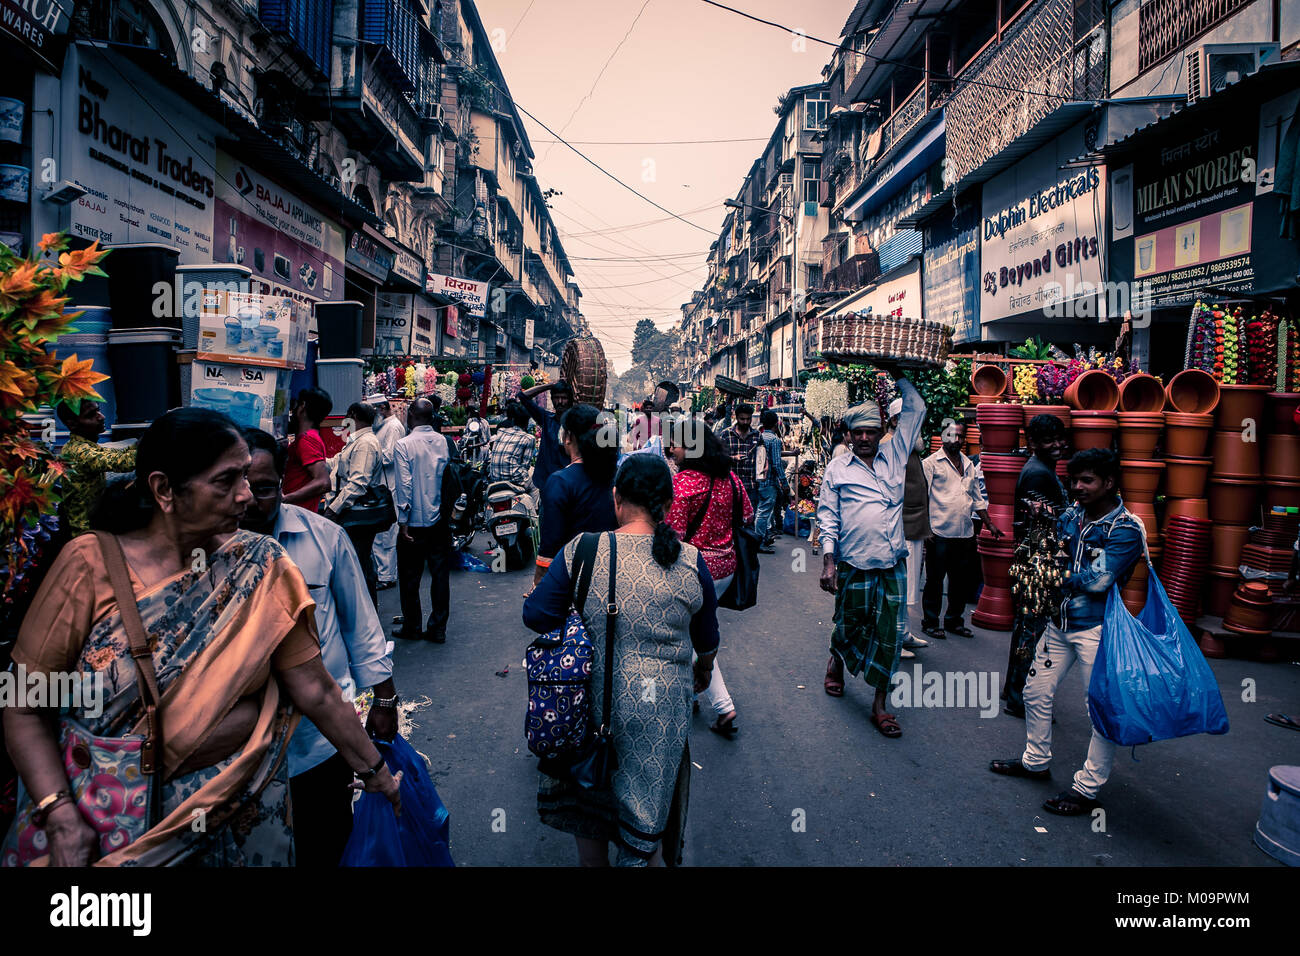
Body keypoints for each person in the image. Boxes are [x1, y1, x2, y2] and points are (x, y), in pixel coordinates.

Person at [1, 408, 400, 867]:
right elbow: (23, 701)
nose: (246, 496)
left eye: (247, 478)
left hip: (247, 813)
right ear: (164, 490)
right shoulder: (89, 566)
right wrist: (59, 813)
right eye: (226, 481)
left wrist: (378, 774)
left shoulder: (262, 565)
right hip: (119, 825)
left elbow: (317, 691)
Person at [523, 454, 720, 866]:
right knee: (644, 822)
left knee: (590, 814)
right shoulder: (690, 560)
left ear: (616, 498)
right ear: (667, 505)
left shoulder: (584, 550)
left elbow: (536, 615)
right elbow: (707, 639)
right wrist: (702, 670)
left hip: (592, 703)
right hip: (661, 710)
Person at [239, 428, 399, 867]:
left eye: (265, 488)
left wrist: (384, 699)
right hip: (237, 760)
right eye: (240, 487)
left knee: (325, 847)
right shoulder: (206, 553)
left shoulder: (324, 538)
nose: (250, 501)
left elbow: (361, 626)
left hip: (319, 744)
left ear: (283, 485)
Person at [990, 448, 1145, 816]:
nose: (1077, 487)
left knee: (1100, 710)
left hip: (1097, 629)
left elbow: (1099, 580)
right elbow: (1052, 550)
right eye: (1073, 480)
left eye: (1086, 480)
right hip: (1059, 624)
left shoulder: (1125, 529)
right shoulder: (1073, 515)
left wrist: (1050, 576)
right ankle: (1035, 762)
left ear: (1109, 483)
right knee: (1035, 691)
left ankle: (1086, 789)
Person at [817, 376, 925, 739]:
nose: (864, 438)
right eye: (857, 432)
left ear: (881, 432)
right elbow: (828, 517)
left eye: (871, 431)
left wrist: (898, 374)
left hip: (892, 563)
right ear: (847, 434)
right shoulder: (837, 469)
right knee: (848, 626)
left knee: (890, 635)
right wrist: (829, 560)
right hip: (852, 563)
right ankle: (837, 660)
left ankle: (880, 705)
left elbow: (917, 409)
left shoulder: (896, 454)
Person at [665, 427, 753, 738]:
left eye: (675, 446)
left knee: (691, 637)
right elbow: (748, 516)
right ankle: (691, 695)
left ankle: (724, 706)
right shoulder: (731, 479)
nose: (671, 451)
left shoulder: (683, 484)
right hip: (727, 568)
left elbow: (671, 537)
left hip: (694, 571)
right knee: (696, 631)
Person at [1002, 413, 1070, 717]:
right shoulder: (1038, 473)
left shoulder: (1042, 469)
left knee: (1027, 629)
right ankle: (1020, 697)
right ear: (1032, 442)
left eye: (1059, 438)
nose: (1056, 445)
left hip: (1033, 561)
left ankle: (1014, 691)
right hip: (1038, 563)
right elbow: (1048, 522)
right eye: (1048, 439)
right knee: (1033, 632)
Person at [920, 418, 1003, 640]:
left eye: (960, 436)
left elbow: (976, 499)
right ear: (943, 436)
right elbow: (922, 498)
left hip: (965, 533)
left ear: (964, 439)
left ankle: (953, 621)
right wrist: (925, 528)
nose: (956, 440)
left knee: (959, 582)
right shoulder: (930, 463)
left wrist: (990, 523)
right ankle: (930, 622)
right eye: (951, 435)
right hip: (939, 533)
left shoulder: (968, 464)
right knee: (935, 581)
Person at [534, 404, 619, 587]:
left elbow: (550, 543)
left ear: (568, 436)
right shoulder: (617, 475)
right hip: (614, 574)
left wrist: (538, 582)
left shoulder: (560, 481)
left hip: (574, 579)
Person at [393, 399, 452, 643]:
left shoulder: (403, 445)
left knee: (410, 577)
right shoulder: (442, 441)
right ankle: (437, 627)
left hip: (414, 521)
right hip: (438, 517)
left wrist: (403, 519)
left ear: (412, 416)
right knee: (439, 575)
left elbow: (404, 484)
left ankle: (413, 626)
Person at [323, 401, 386, 610]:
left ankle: (367, 615)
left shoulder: (365, 443)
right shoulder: (357, 441)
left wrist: (334, 509)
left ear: (353, 416)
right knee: (358, 562)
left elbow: (358, 483)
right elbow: (337, 462)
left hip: (357, 514)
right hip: (352, 511)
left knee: (359, 564)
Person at [56, 399, 136, 537]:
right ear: (72, 424)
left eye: (98, 410)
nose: (101, 417)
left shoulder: (84, 444)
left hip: (95, 522)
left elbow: (118, 454)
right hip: (86, 533)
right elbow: (124, 462)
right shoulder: (79, 452)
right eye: (91, 415)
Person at [370, 393, 406, 590]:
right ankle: (385, 573)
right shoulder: (384, 426)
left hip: (388, 485)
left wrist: (368, 454)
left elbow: (389, 457)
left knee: (385, 534)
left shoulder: (392, 427)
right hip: (383, 484)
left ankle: (387, 575)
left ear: (381, 409)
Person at [518, 379, 575, 493]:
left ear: (569, 400)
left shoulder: (575, 422)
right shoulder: (546, 418)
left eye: (563, 398)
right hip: (546, 483)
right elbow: (523, 396)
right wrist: (549, 385)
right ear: (552, 399)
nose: (560, 401)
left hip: (567, 485)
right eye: (556, 397)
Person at [900, 434, 930, 651]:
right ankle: (895, 637)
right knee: (902, 583)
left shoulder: (911, 447)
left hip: (915, 523)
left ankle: (904, 632)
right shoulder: (893, 445)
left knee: (910, 581)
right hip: (903, 525)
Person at [283, 387, 332, 512]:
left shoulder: (307, 440)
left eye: (295, 406)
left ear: (302, 406)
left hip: (297, 514)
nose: (292, 412)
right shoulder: (310, 437)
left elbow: (323, 482)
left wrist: (285, 498)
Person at [754, 409, 791, 554]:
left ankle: (763, 537)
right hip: (768, 481)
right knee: (763, 512)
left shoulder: (759, 436)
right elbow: (776, 464)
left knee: (760, 510)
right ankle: (759, 541)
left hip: (758, 480)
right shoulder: (774, 440)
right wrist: (785, 483)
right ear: (776, 424)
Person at [718, 402, 761, 512]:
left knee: (750, 520)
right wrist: (733, 458)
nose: (746, 422)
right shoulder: (726, 434)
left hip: (751, 486)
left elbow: (762, 456)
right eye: (742, 419)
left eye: (748, 419)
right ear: (736, 417)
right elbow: (718, 458)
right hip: (731, 486)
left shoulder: (757, 435)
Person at [489, 400, 537, 491]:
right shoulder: (529, 438)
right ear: (527, 422)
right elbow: (525, 466)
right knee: (537, 483)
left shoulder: (501, 431)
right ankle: (533, 505)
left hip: (494, 478)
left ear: (513, 419)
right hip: (514, 480)